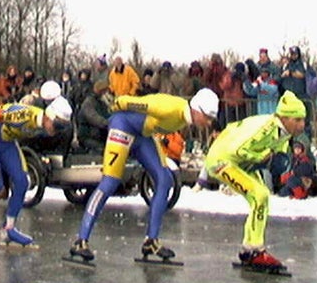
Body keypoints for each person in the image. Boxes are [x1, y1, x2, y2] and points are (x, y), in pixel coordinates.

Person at [68, 88, 218, 265]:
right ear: (197, 109)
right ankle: (81, 240)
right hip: (122, 125)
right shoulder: (169, 107)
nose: (208, 123)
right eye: (207, 117)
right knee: (110, 182)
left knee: (164, 179)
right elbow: (128, 101)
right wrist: (114, 106)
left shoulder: (184, 117)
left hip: (142, 134)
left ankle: (151, 241)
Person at [204, 90, 307, 273]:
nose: (302, 125)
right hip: (222, 160)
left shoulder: (284, 132)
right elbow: (239, 150)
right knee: (259, 194)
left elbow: (277, 155)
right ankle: (256, 250)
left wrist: (279, 162)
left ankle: (248, 249)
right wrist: (264, 159)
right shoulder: (266, 128)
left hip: (241, 162)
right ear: (284, 118)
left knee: (262, 198)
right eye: (298, 120)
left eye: (303, 120)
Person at [0, 93, 72, 246]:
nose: (57, 131)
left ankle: (8, 228)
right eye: (57, 126)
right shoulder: (24, 114)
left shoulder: (43, 125)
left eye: (61, 128)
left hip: (6, 140)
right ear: (49, 117)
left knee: (23, 182)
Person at [75, 79, 112, 153]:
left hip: (100, 135)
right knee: (102, 149)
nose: (108, 94)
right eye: (106, 91)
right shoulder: (89, 102)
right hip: (88, 136)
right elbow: (94, 119)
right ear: (101, 91)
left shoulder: (103, 102)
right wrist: (110, 123)